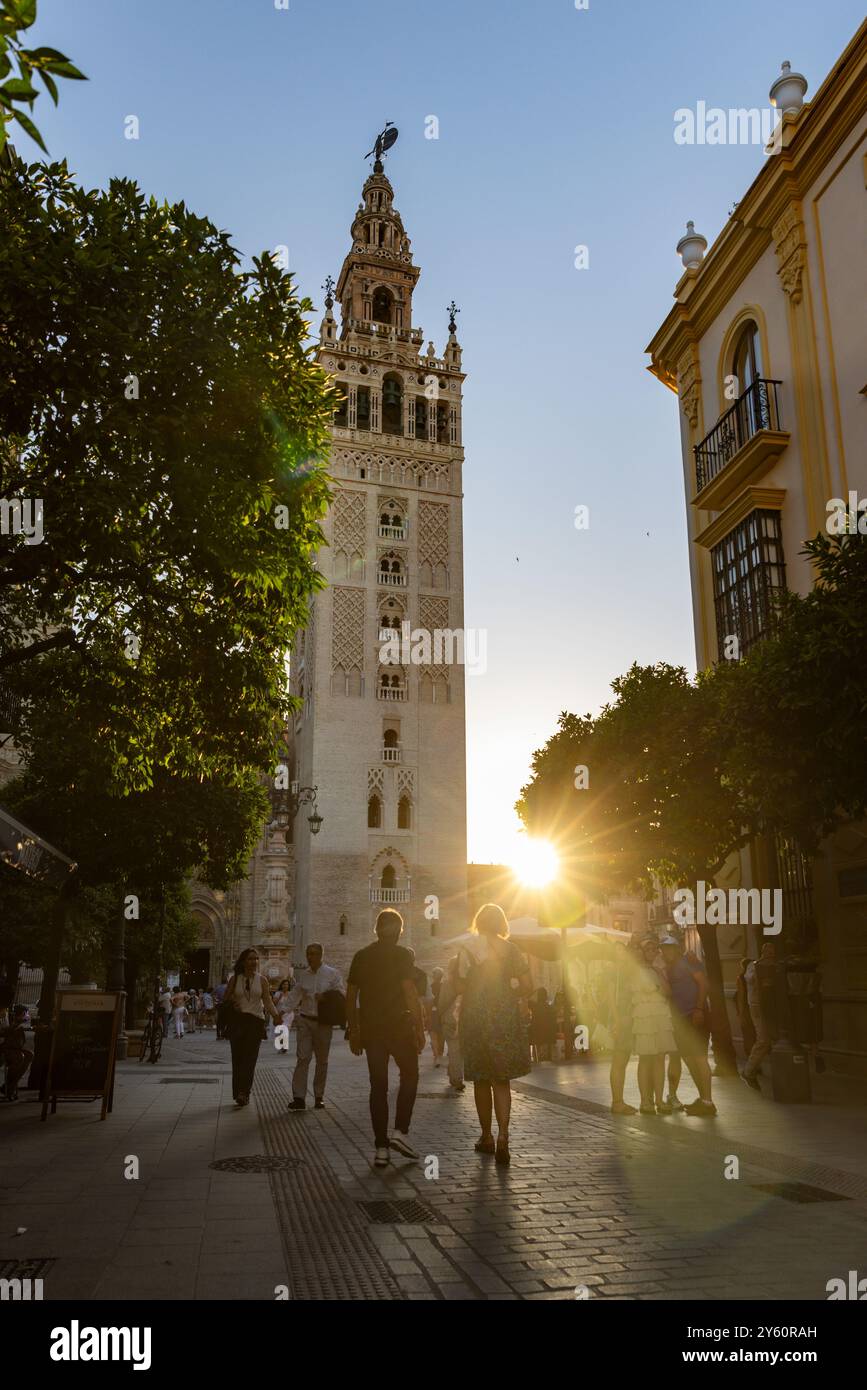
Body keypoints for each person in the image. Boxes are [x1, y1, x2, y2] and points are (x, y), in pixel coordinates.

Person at [346, 909, 425, 1168]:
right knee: (410, 1075)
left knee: (378, 1086)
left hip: (372, 1031)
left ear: (376, 929)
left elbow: (351, 996)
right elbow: (410, 992)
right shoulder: (403, 955)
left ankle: (381, 1148)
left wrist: (354, 1031)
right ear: (400, 931)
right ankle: (401, 1131)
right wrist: (420, 1026)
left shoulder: (362, 956)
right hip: (399, 1028)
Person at [457, 903, 532, 1166]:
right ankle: (504, 1136)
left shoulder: (469, 947)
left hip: (476, 1017)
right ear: (501, 922)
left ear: (479, 922)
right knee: (501, 1080)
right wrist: (510, 994)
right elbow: (528, 986)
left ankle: (486, 1136)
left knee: (480, 1079)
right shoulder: (511, 950)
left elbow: (461, 984)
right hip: (504, 1019)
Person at [660, 935, 716, 1116]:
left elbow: (704, 984)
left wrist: (699, 1009)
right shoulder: (668, 968)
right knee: (691, 1061)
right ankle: (703, 1099)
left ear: (678, 949)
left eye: (670, 948)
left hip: (695, 1016)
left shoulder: (688, 962)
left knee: (699, 1058)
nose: (666, 951)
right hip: (681, 1021)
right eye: (664, 948)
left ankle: (708, 1102)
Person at [285, 944, 344, 1112]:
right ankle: (298, 1097)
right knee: (303, 1058)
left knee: (322, 1061)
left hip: (323, 1023)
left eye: (314, 954)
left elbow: (341, 993)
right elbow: (295, 995)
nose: (310, 957)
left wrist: (326, 996)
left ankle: (319, 1096)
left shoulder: (332, 974)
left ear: (321, 955)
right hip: (304, 1020)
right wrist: (281, 1012)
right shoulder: (303, 975)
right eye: (308, 954)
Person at [224, 949, 282, 1106]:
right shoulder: (235, 979)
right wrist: (232, 1002)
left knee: (250, 1059)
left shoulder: (262, 980)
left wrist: (276, 1016)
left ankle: (244, 1093)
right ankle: (237, 1091)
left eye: (256, 959)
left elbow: (267, 1001)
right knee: (237, 1058)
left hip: (255, 1022)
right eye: (250, 959)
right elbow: (226, 997)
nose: (254, 962)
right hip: (238, 1021)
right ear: (243, 961)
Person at [631, 934, 676, 1115]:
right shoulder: (635, 969)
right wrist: (657, 987)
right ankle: (645, 1101)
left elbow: (667, 990)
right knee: (645, 1058)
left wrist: (658, 976)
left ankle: (658, 1099)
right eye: (647, 949)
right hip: (644, 1016)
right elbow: (647, 988)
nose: (651, 952)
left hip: (660, 1015)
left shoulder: (658, 969)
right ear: (641, 951)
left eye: (654, 949)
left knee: (659, 1058)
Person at [742, 941, 777, 1090]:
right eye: (767, 950)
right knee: (763, 1039)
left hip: (772, 1007)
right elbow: (749, 979)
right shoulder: (754, 965)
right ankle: (749, 1070)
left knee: (770, 1039)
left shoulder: (775, 965)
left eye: (772, 951)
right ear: (762, 952)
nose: (770, 953)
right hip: (757, 1006)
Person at [609, 943, 639, 1114]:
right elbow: (611, 997)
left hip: (627, 1020)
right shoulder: (615, 972)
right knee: (619, 1061)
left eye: (622, 950)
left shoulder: (623, 971)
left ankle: (618, 1101)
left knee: (622, 1060)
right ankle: (617, 1102)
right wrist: (617, 1020)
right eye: (617, 950)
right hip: (622, 1021)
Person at [437, 954, 464, 1092]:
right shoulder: (468, 982)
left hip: (449, 1019)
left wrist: (439, 1014)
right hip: (464, 1018)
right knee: (457, 1051)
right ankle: (455, 1075)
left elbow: (442, 1002)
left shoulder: (447, 983)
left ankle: (456, 1077)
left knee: (454, 1050)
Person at [0, 1005, 32, 1102]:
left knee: (29, 1055)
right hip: (5, 1048)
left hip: (11, 1048)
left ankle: (10, 1086)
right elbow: (4, 1032)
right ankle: (10, 1086)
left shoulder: (10, 1019)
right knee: (18, 1058)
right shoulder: (7, 1018)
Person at [735, 957, 757, 1059]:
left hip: (746, 1008)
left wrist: (741, 1013)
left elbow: (741, 996)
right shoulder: (753, 978)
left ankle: (750, 1056)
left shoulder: (741, 978)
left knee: (747, 1034)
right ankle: (754, 1057)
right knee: (753, 1033)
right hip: (753, 1006)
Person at [529, 987, 556, 1063]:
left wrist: (534, 990)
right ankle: (548, 1056)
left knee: (531, 1032)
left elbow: (528, 997)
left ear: (538, 996)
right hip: (548, 1035)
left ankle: (536, 1057)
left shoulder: (533, 1006)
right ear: (546, 996)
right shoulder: (550, 1008)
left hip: (536, 1034)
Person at [427, 967, 446, 1066]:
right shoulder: (445, 987)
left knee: (433, 1035)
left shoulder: (430, 987)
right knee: (441, 1034)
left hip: (433, 1012)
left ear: (433, 976)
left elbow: (427, 1002)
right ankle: (440, 1054)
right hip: (443, 1012)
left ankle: (436, 1055)